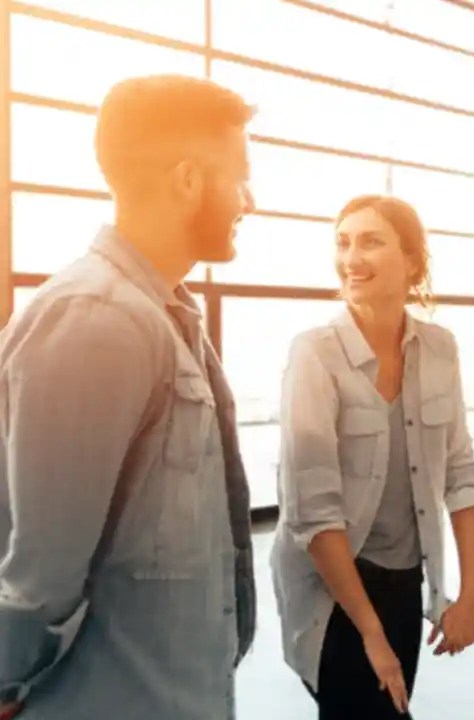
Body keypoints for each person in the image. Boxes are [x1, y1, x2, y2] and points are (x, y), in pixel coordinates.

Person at [0, 75, 258, 719]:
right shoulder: (98, 321)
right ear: (188, 180)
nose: (248, 200)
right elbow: (38, 581)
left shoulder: (167, 317)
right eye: (240, 177)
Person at [270, 195, 474, 719]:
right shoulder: (314, 353)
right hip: (331, 588)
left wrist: (470, 594)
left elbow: (460, 469)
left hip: (403, 581)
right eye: (343, 243)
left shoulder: (439, 348)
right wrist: (370, 632)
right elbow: (313, 512)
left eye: (370, 241)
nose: (350, 258)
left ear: (412, 261)